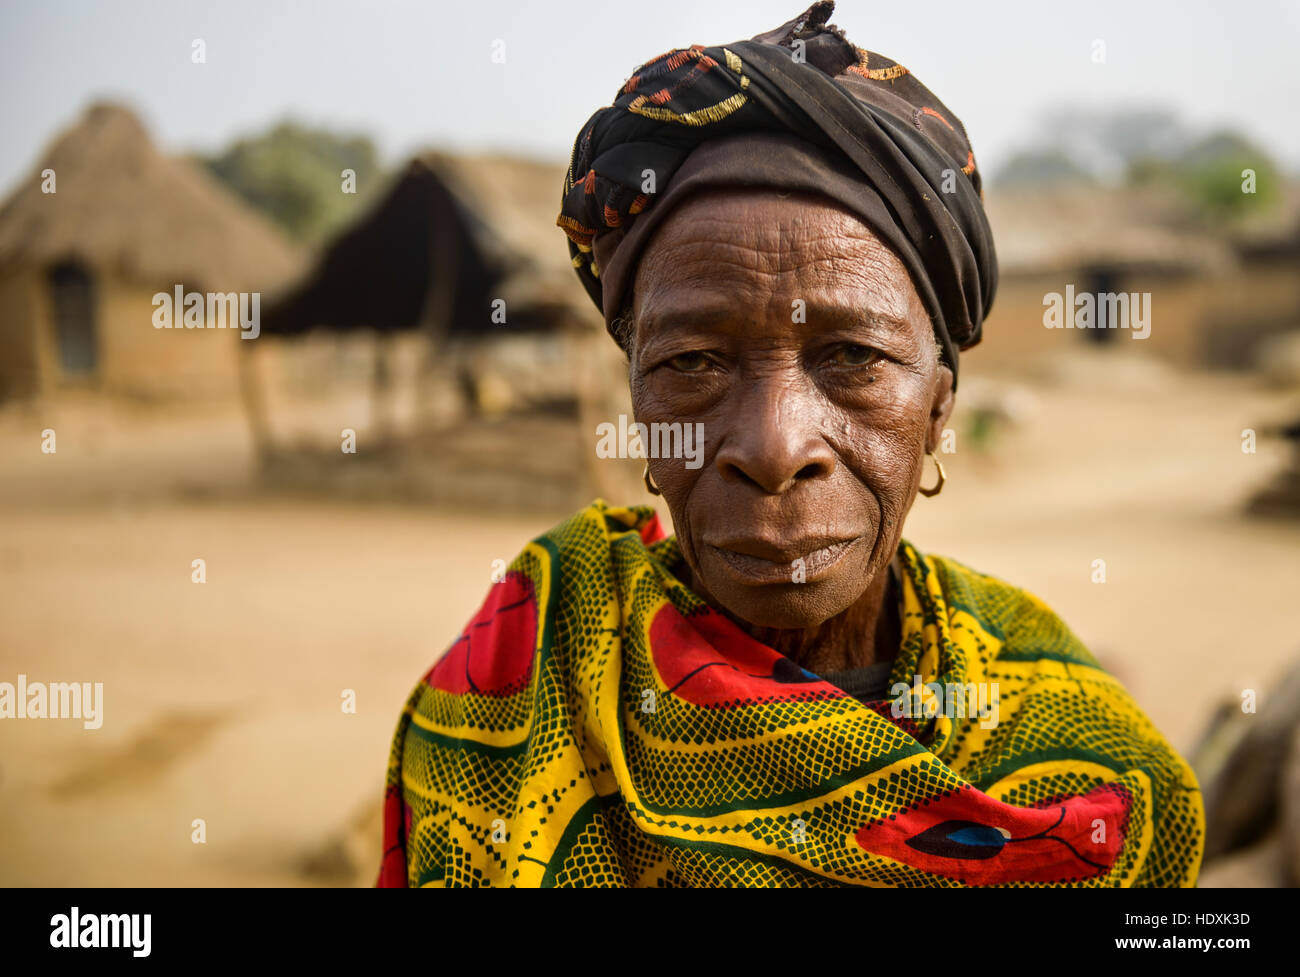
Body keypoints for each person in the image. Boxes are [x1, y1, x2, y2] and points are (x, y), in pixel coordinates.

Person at [378, 1, 1204, 887]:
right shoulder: (516, 682)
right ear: (637, 405)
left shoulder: (1095, 761)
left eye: (853, 358)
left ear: (937, 409)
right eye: (691, 362)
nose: (774, 449)